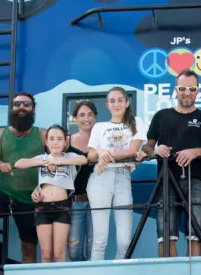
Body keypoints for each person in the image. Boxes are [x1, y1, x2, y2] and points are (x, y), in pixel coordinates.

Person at [143, 69, 201, 257]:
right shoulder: (161, 116)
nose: (187, 92)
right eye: (183, 88)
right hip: (166, 182)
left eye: (192, 88)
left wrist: (196, 151)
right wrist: (155, 150)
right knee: (165, 235)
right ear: (175, 89)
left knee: (196, 236)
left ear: (198, 91)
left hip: (198, 180)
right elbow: (147, 147)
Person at [0, 92, 46, 266]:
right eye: (17, 104)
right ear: (12, 108)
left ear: (33, 109)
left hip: (33, 197)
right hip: (6, 192)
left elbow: (59, 154)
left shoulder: (43, 134)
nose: (21, 107)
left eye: (26, 104)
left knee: (28, 249)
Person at [87, 87, 147, 260]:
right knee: (100, 238)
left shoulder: (135, 122)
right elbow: (90, 155)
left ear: (127, 103)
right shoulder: (99, 127)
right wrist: (100, 153)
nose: (116, 104)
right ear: (107, 105)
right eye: (112, 101)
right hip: (100, 178)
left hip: (123, 176)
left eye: (120, 100)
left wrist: (106, 155)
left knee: (124, 240)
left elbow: (133, 151)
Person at [17, 125, 89, 264]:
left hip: (62, 207)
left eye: (59, 139)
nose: (55, 142)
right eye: (52, 139)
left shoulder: (69, 156)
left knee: (59, 253)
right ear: (47, 142)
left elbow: (83, 160)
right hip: (42, 207)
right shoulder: (42, 158)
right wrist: (44, 162)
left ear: (65, 142)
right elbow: (20, 163)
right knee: (46, 254)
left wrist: (58, 161)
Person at [66, 101, 97, 262]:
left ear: (95, 118)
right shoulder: (67, 141)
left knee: (94, 249)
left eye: (90, 114)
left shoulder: (101, 141)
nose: (86, 118)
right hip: (75, 202)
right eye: (82, 115)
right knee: (73, 251)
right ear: (75, 118)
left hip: (98, 202)